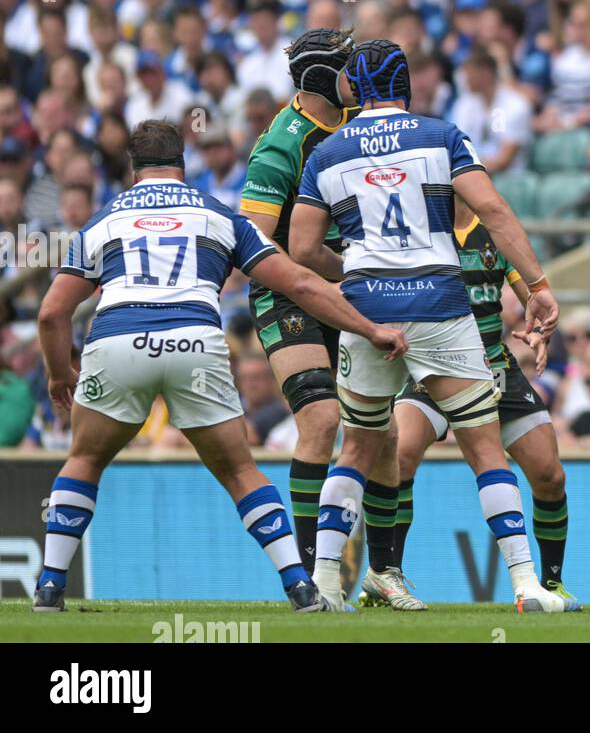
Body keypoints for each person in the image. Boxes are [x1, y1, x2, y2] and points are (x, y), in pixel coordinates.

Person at [32, 118, 407, 613]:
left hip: (118, 337)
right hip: (195, 341)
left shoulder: (102, 221)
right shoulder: (218, 214)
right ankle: (299, 586)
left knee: (84, 461)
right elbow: (298, 283)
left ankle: (51, 586)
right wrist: (371, 328)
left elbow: (52, 314)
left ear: (132, 167)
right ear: (183, 165)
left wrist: (60, 374)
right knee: (239, 470)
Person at [288, 39, 564, 614]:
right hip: (440, 303)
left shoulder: (327, 152)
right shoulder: (440, 135)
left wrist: (356, 273)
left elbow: (302, 248)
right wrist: (536, 286)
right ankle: (524, 584)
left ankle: (326, 586)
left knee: (358, 447)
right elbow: (493, 210)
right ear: (406, 82)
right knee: (486, 449)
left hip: (366, 311)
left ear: (351, 89)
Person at [235, 27, 407, 610]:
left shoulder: (360, 125)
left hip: (347, 289)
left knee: (381, 432)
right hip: (288, 293)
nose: (357, 74)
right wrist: (319, 276)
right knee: (321, 417)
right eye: (346, 66)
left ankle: (386, 570)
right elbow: (253, 244)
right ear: (319, 78)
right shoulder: (283, 143)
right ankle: (308, 574)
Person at [390, 194, 581, 611]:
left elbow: (529, 295)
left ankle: (551, 583)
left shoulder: (495, 229)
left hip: (495, 365)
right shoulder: (418, 227)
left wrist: (538, 330)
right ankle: (387, 574)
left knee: (550, 474)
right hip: (432, 368)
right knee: (400, 456)